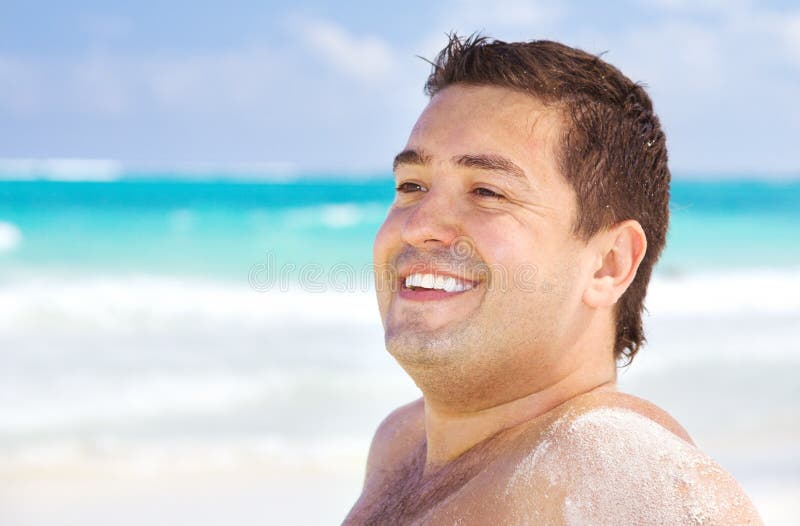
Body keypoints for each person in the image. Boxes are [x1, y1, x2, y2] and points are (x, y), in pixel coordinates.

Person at [344, 34, 762, 525]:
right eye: (411, 186)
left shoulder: (628, 476)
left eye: (487, 191)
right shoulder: (401, 444)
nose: (418, 226)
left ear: (608, 264)